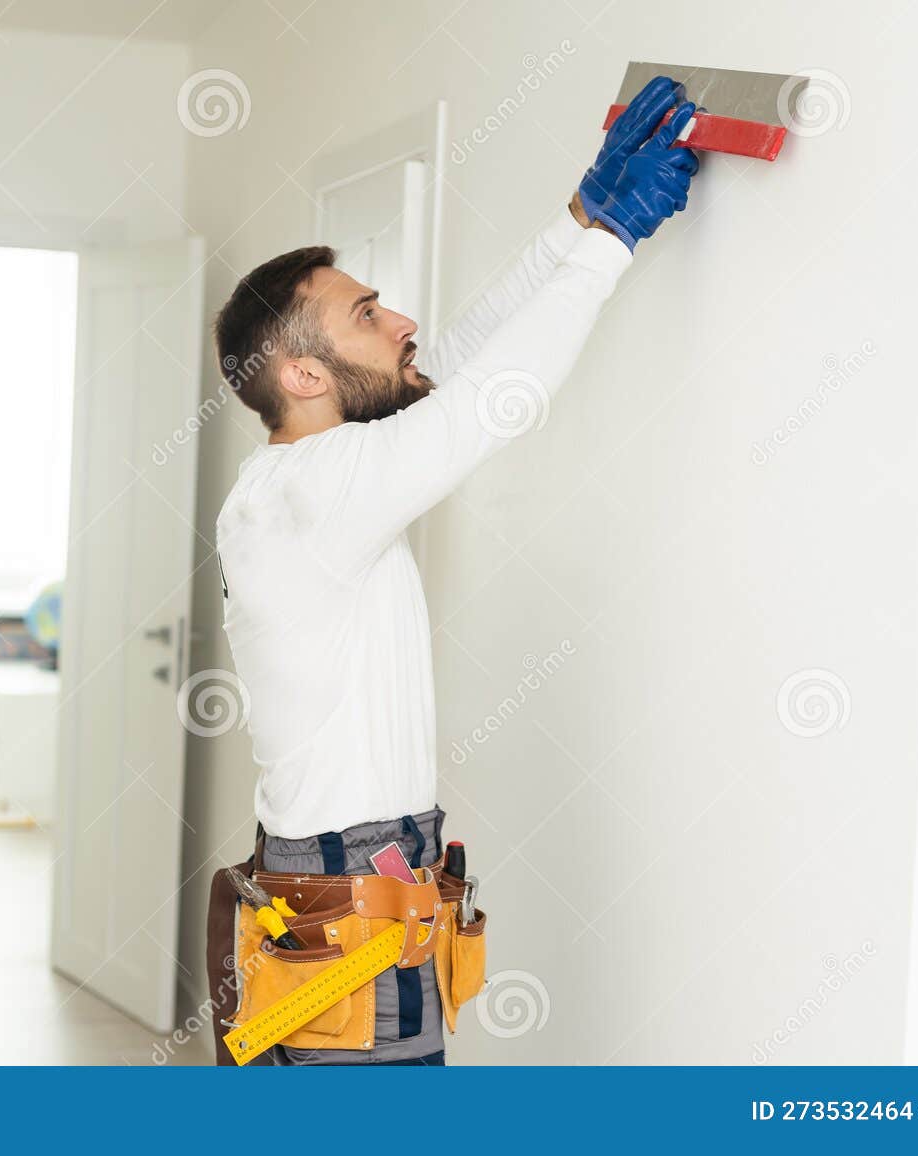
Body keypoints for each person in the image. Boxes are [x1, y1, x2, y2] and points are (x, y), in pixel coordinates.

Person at [209, 78, 701, 1065]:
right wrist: (614, 241)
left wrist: (580, 218)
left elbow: (461, 361)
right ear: (303, 373)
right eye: (363, 313)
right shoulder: (310, 491)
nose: (398, 319)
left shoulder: (306, 481)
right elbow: (491, 402)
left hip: (363, 895)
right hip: (354, 916)